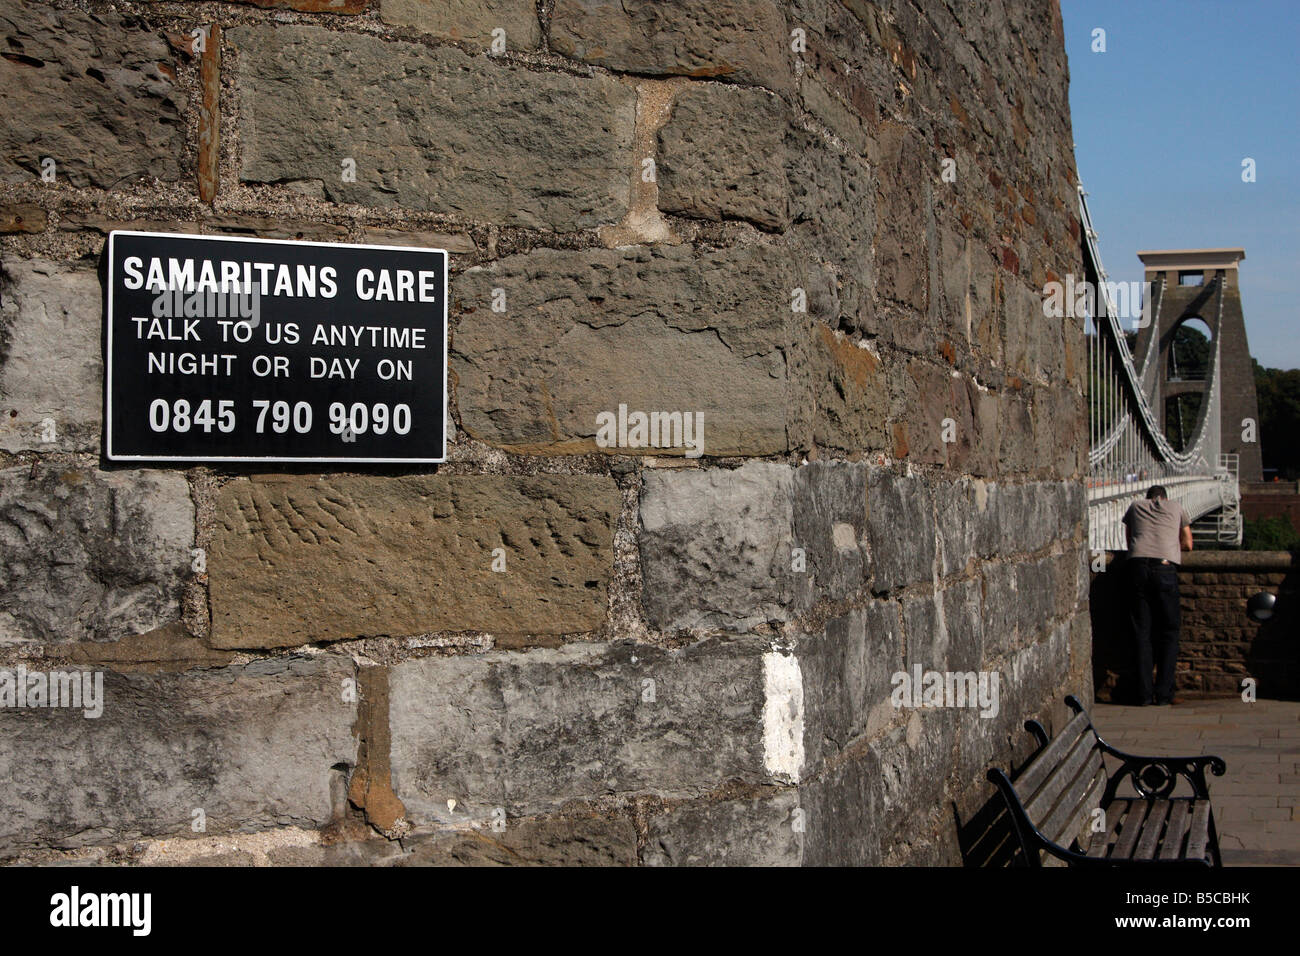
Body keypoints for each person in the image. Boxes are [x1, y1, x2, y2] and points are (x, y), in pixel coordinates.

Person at [1121, 486, 1193, 705]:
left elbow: (1129, 539)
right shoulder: (1177, 507)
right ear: (1165, 497)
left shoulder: (1135, 507)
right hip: (1164, 569)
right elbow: (1188, 543)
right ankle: (1163, 695)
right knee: (1169, 633)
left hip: (1138, 569)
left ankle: (1143, 696)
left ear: (1148, 498)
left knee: (1142, 634)